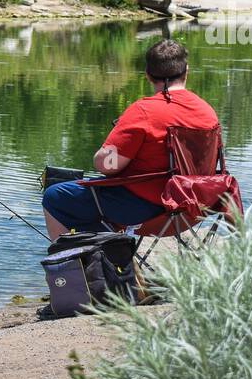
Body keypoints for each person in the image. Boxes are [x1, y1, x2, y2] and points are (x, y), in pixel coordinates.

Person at [42, 39, 220, 240]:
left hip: (147, 210)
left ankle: (71, 265)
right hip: (194, 209)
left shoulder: (144, 111)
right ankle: (110, 258)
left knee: (55, 195)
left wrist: (108, 148)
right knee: (90, 197)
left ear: (148, 75)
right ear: (186, 71)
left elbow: (106, 165)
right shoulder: (208, 113)